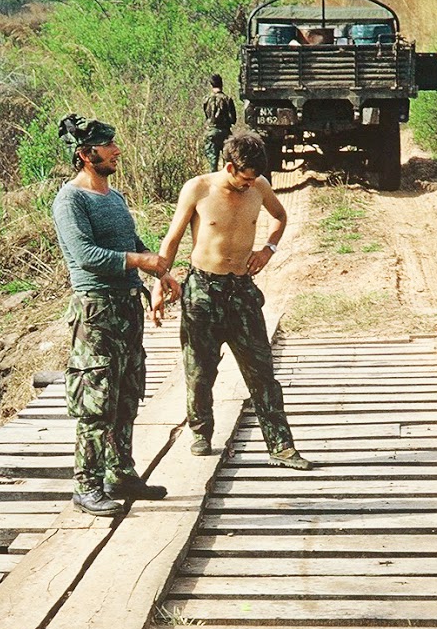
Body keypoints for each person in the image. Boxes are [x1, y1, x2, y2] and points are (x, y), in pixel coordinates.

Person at [154, 130, 310, 470]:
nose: (250, 185)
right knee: (199, 370)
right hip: (202, 292)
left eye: (255, 179)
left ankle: (281, 446)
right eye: (245, 179)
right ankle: (201, 431)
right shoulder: (199, 188)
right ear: (229, 167)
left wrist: (268, 250)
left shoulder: (260, 186)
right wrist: (159, 279)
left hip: (241, 291)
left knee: (262, 371)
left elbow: (280, 217)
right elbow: (173, 237)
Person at [50, 113, 180, 516]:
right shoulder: (70, 199)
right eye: (108, 147)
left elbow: (131, 240)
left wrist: (162, 272)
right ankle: (86, 485)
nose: (116, 151)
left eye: (113, 144)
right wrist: (139, 260)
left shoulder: (115, 196)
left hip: (127, 306)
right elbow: (87, 256)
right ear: (85, 155)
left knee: (126, 394)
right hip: (96, 309)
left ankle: (120, 473)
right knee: (96, 398)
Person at [200, 74, 236, 172]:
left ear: (211, 85)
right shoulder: (227, 99)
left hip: (211, 133)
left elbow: (206, 116)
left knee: (212, 164)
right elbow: (233, 119)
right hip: (225, 133)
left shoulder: (206, 99)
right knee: (228, 164)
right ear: (222, 84)